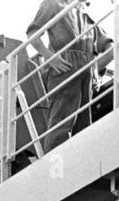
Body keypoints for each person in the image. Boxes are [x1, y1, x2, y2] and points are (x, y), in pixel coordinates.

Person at [26, 0, 98, 152]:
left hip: (86, 67)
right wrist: (49, 56)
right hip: (65, 64)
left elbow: (94, 47)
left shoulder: (85, 13)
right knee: (61, 120)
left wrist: (94, 71)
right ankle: (54, 162)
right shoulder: (53, 3)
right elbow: (33, 33)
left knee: (84, 123)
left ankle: (81, 162)